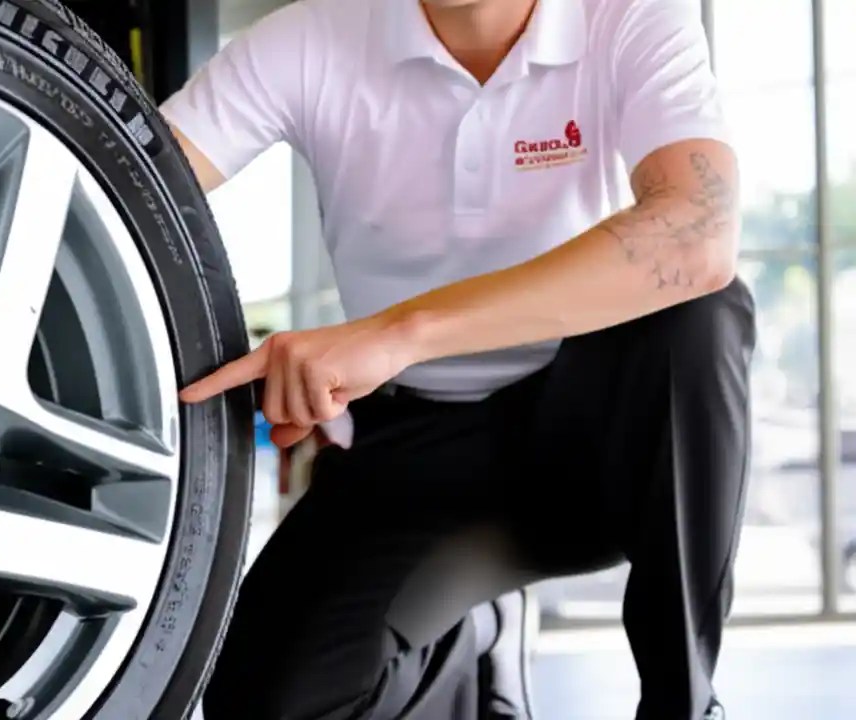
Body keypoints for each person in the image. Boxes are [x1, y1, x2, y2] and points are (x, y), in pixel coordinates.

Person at [159, 0, 754, 718]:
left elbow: (700, 232)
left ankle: (682, 704)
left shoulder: (629, 16)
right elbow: (121, 181)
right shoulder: (309, 37)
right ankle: (466, 647)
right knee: (257, 704)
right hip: (410, 445)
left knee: (696, 311)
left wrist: (398, 333)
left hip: (594, 437)